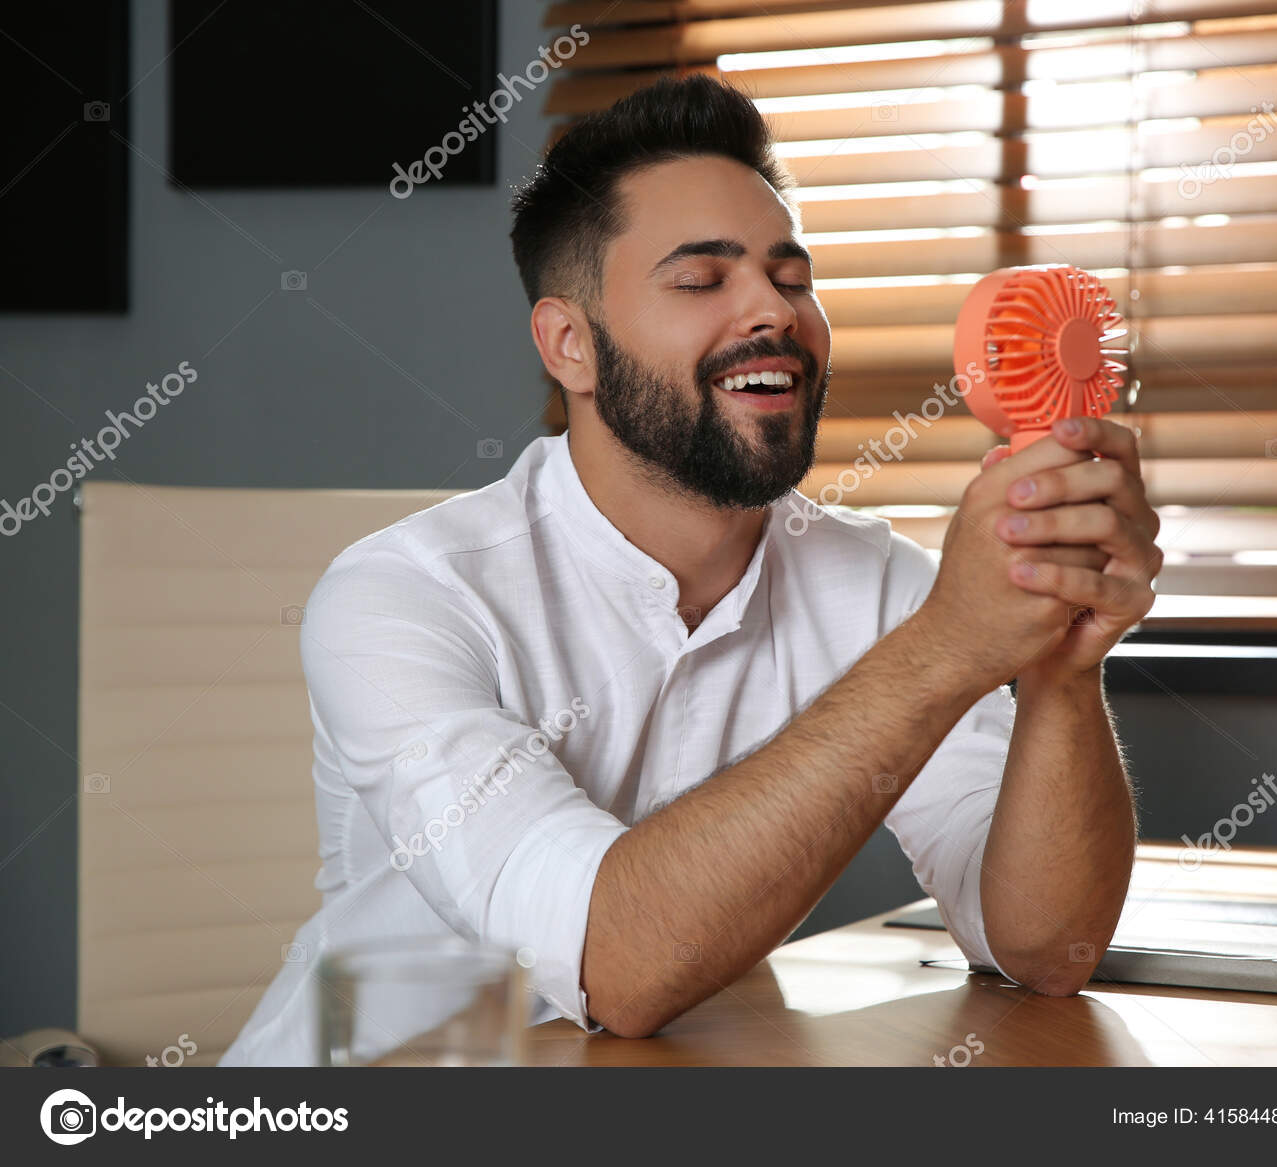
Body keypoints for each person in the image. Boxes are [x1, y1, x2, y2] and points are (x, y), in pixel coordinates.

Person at [221, 74, 1159, 1065]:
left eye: (792, 278)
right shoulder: (401, 599)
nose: (775, 311)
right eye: (702, 280)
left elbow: (1048, 950)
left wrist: (1060, 661)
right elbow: (615, 963)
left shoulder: (876, 584)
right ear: (569, 345)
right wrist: (946, 650)